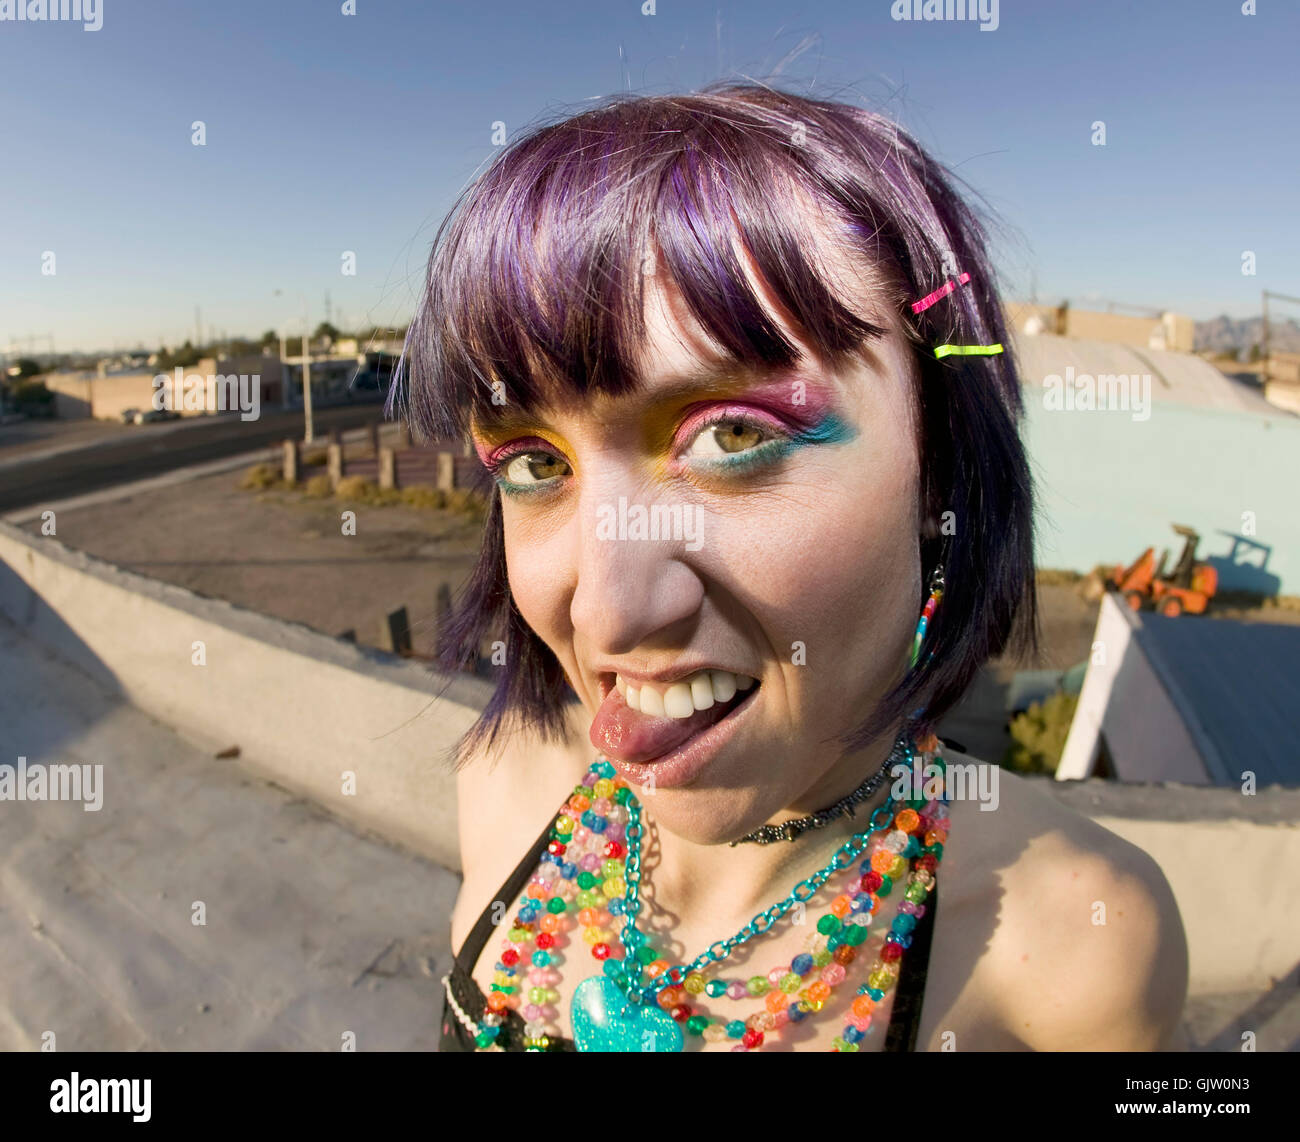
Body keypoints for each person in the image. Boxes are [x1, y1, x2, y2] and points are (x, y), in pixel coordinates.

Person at [392, 82, 1189, 1052]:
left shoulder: (1080, 943)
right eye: (534, 462)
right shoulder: (501, 781)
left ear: (942, 467)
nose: (605, 611)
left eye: (732, 433)